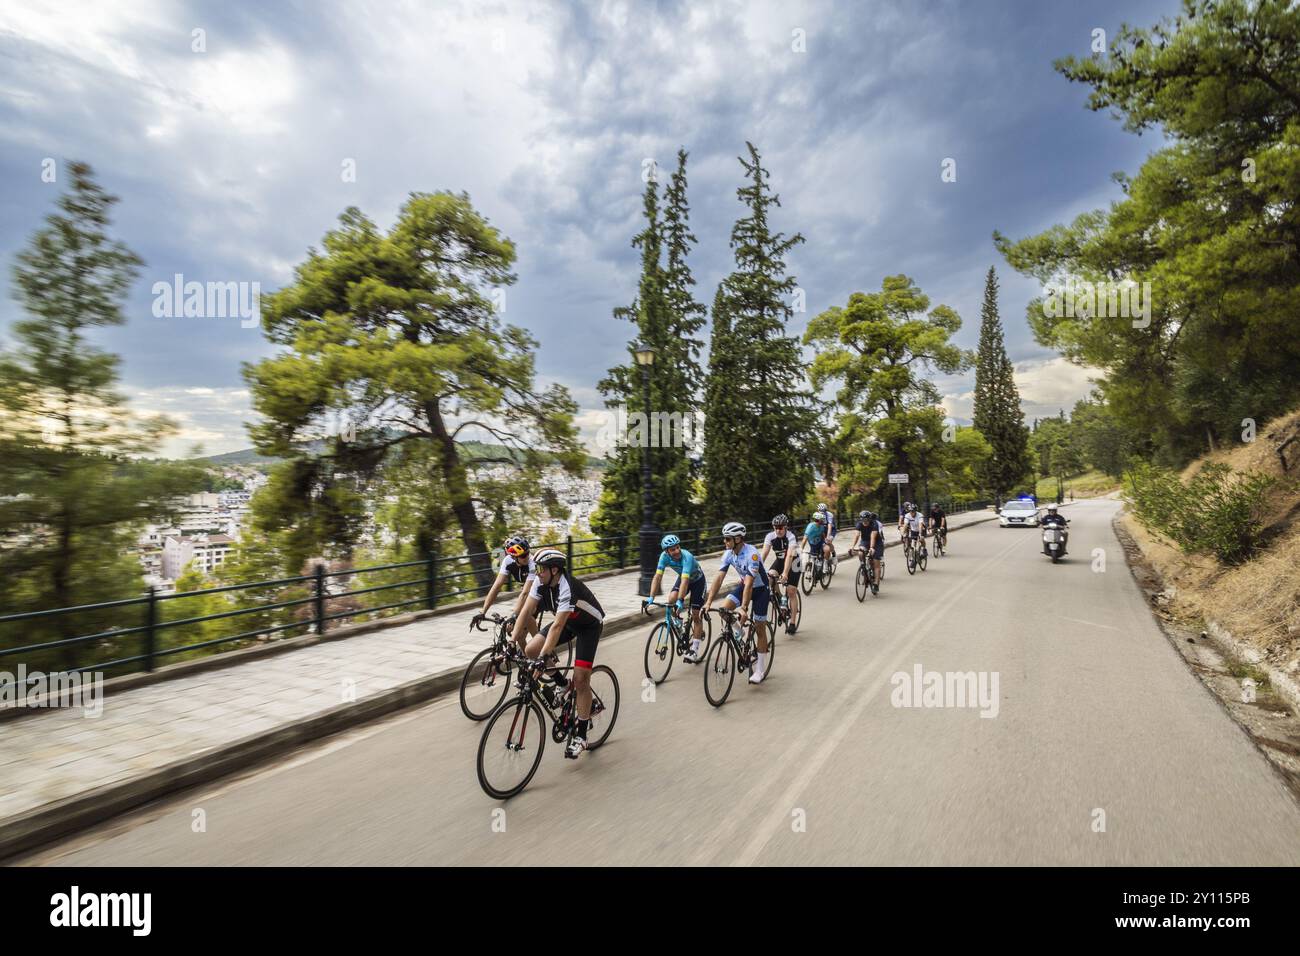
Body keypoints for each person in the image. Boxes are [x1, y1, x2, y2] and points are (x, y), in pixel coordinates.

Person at [511, 548, 605, 758]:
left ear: (555, 570)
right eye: (536, 568)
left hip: (588, 627)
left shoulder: (566, 587)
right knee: (531, 649)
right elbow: (526, 611)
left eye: (541, 569)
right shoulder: (541, 581)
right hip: (568, 623)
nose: (537, 572)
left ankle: (581, 736)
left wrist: (544, 658)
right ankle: (562, 684)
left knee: (581, 680)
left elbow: (557, 626)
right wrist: (511, 640)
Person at [705, 521, 772, 684]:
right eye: (725, 539)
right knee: (723, 610)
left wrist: (743, 607)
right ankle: (740, 634)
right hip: (744, 586)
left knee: (759, 627)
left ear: (738, 539)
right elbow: (719, 577)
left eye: (727, 539)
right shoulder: (729, 554)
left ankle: (760, 670)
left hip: (760, 590)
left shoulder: (752, 554)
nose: (724, 542)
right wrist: (708, 602)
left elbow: (750, 583)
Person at [645, 533, 708, 662]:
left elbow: (685, 581)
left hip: (697, 581)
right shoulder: (663, 557)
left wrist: (681, 600)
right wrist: (651, 597)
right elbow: (657, 577)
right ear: (667, 552)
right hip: (683, 578)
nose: (677, 551)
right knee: (671, 600)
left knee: (696, 614)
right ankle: (678, 623)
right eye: (673, 549)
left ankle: (694, 650)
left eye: (678, 547)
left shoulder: (687, 557)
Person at [474, 534, 538, 650]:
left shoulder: (532, 564)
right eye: (523, 555)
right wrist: (483, 611)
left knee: (525, 614)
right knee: (519, 637)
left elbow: (525, 594)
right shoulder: (508, 561)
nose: (527, 556)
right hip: (527, 593)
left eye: (527, 553)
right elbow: (496, 586)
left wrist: (513, 616)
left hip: (539, 593)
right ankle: (529, 662)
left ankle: (543, 649)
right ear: (514, 557)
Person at [761, 514, 801, 632]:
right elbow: (764, 554)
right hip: (779, 561)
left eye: (780, 528)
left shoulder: (791, 537)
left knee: (791, 591)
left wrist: (785, 573)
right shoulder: (770, 536)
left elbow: (789, 555)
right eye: (775, 527)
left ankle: (792, 622)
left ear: (786, 527)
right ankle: (778, 597)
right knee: (770, 577)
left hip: (794, 563)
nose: (778, 530)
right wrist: (757, 569)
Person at [849, 509, 885, 587]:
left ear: (869, 519)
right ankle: (863, 566)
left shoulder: (874, 524)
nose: (864, 522)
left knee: (876, 562)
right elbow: (857, 535)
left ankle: (876, 584)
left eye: (866, 520)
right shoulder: (859, 524)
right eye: (862, 520)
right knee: (860, 553)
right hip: (865, 541)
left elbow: (873, 536)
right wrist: (852, 547)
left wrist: (872, 548)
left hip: (877, 543)